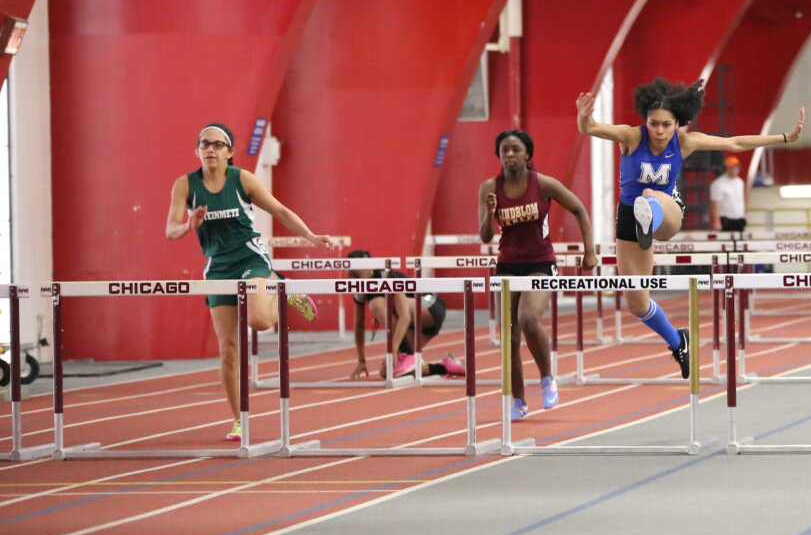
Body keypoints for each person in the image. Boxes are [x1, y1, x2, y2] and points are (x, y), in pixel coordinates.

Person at [577, 78, 804, 379]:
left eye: (666, 125)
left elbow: (734, 143)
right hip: (630, 216)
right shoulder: (632, 136)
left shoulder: (685, 142)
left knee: (650, 194)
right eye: (654, 124)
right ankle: (678, 341)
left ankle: (651, 212)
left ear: (677, 124)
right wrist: (584, 116)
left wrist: (784, 137)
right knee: (637, 302)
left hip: (667, 210)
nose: (659, 132)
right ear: (646, 121)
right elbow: (591, 128)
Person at [165, 123, 341, 442]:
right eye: (204, 144)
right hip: (217, 267)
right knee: (228, 351)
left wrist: (311, 237)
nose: (210, 149)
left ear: (230, 152)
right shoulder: (185, 185)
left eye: (218, 144)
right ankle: (239, 419)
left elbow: (280, 211)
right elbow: (170, 231)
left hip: (250, 258)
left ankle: (278, 287)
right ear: (197, 150)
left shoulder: (242, 179)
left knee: (259, 321)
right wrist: (189, 225)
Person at [479, 128, 597, 419]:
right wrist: (489, 214)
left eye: (515, 150)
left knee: (528, 319)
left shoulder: (543, 183)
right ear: (498, 155)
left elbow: (579, 209)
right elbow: (485, 237)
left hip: (540, 263)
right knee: (509, 336)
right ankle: (518, 400)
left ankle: (547, 378)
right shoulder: (489, 187)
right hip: (507, 265)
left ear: (527, 154)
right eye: (504, 150)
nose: (510, 155)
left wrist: (589, 252)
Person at [343, 252, 461, 381]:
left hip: (429, 306)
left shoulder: (387, 277)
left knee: (376, 304)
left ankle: (408, 354)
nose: (354, 281)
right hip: (414, 323)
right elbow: (359, 326)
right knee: (389, 371)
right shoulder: (359, 289)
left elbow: (405, 316)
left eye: (357, 275)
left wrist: (393, 348)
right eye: (350, 276)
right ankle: (446, 367)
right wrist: (361, 360)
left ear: (370, 269)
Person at [709, 155, 748, 232]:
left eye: (736, 168)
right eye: (732, 168)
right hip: (726, 220)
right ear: (726, 169)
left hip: (739, 219)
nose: (734, 170)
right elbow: (715, 203)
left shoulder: (740, 182)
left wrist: (744, 213)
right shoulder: (718, 184)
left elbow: (741, 200)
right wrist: (716, 221)